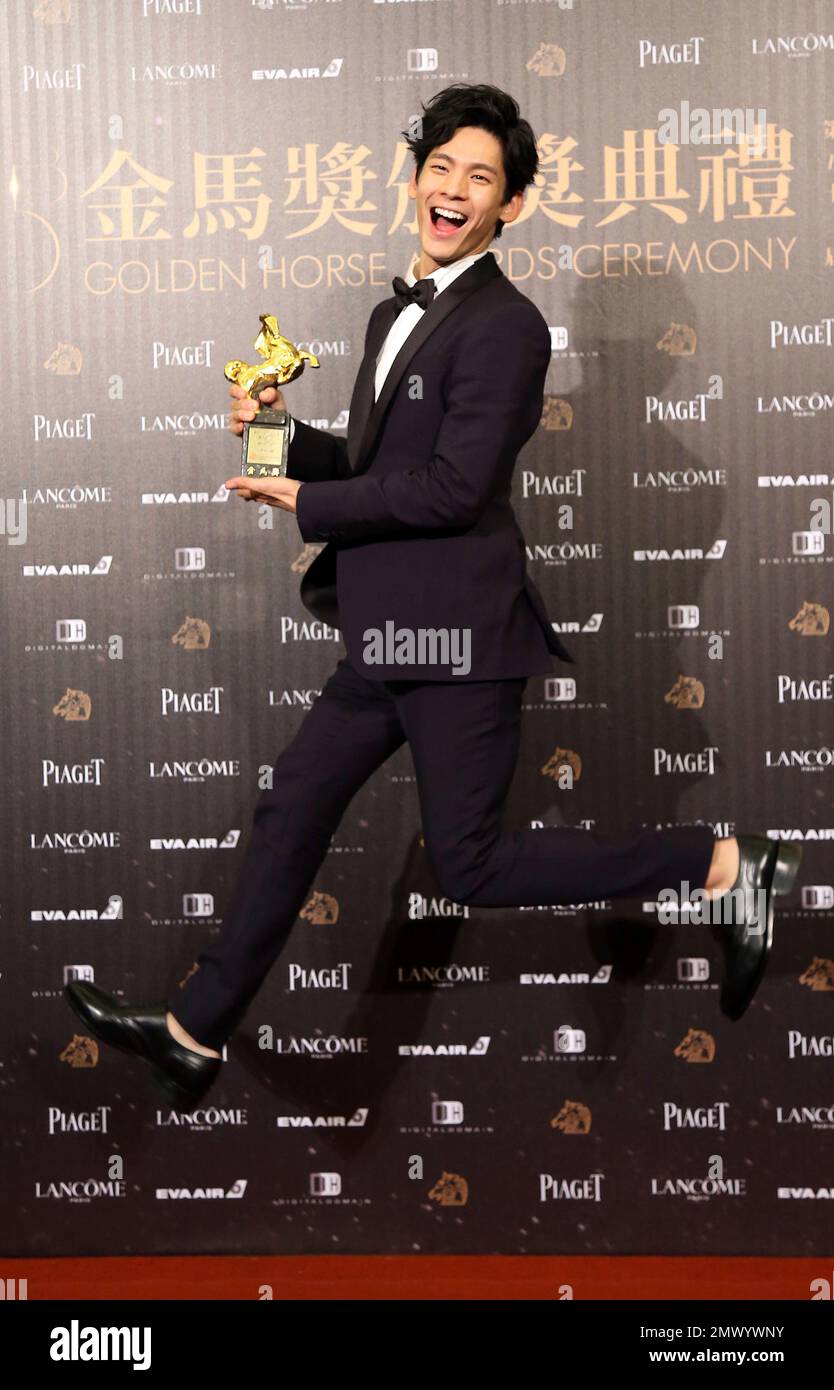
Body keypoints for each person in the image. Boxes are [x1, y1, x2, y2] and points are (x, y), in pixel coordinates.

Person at [65, 84, 801, 1109]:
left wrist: (309, 497)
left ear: (512, 206)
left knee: (473, 867)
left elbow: (455, 488)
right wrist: (274, 435)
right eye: (442, 168)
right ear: (413, 178)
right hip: (386, 634)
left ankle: (722, 859)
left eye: (482, 178)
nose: (454, 190)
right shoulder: (394, 310)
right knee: (291, 810)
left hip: (456, 636)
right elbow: (377, 459)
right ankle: (195, 1032)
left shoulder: (507, 327)